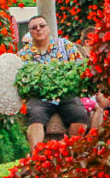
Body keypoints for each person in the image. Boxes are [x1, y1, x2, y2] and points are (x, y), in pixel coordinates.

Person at [18, 16, 91, 150]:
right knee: (35, 115)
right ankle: (36, 156)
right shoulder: (23, 54)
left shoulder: (65, 45)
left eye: (42, 26)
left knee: (79, 114)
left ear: (48, 28)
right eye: (34, 28)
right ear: (30, 32)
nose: (38, 29)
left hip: (66, 94)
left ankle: (72, 152)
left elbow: (81, 67)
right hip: (39, 97)